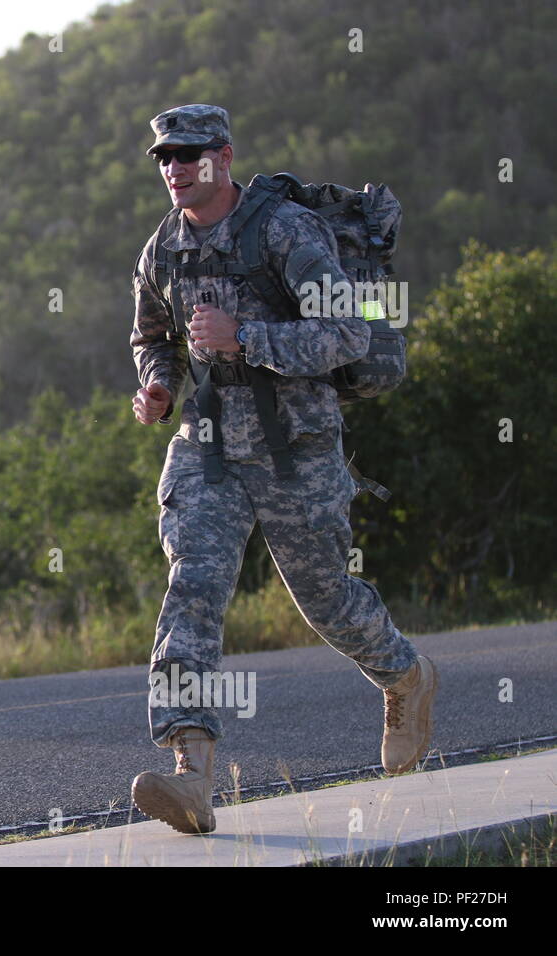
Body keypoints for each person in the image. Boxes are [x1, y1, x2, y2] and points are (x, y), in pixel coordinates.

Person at [127, 104, 438, 834]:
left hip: (295, 444)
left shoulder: (284, 230)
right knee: (193, 586)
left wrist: (246, 338)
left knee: (326, 598)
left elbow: (345, 333)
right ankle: (192, 774)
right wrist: (160, 385)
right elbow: (152, 334)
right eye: (164, 156)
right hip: (208, 446)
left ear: (224, 157)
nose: (174, 167)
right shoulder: (161, 249)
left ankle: (403, 676)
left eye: (189, 153)